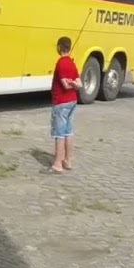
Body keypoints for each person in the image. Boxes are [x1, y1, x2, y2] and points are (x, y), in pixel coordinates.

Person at [49, 36, 82, 174]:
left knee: (59, 133)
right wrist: (74, 84)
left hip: (61, 101)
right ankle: (68, 161)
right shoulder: (72, 63)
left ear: (59, 47)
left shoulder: (61, 63)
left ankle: (58, 163)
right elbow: (80, 84)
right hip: (72, 100)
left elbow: (65, 85)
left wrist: (71, 83)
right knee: (69, 131)